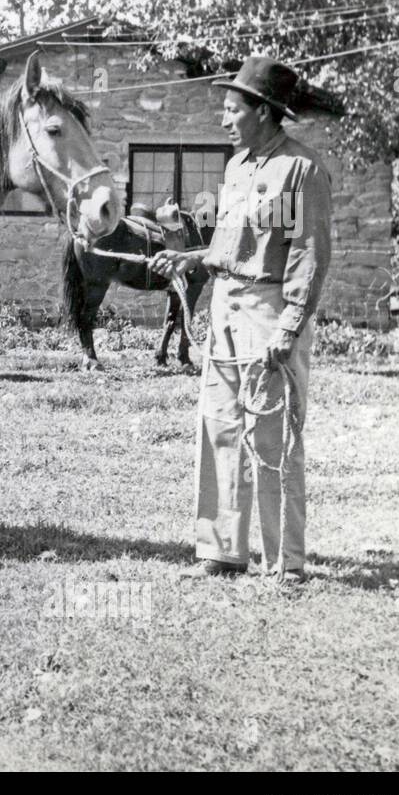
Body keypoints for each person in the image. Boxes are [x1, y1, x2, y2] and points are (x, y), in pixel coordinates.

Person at [148, 56, 332, 584]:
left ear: (265, 113)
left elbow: (309, 254)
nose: (225, 120)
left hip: (268, 313)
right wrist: (193, 257)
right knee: (219, 428)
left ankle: (285, 565)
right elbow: (233, 244)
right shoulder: (237, 168)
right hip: (225, 307)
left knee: (272, 437)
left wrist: (289, 326)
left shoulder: (302, 168)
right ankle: (222, 551)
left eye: (233, 110)